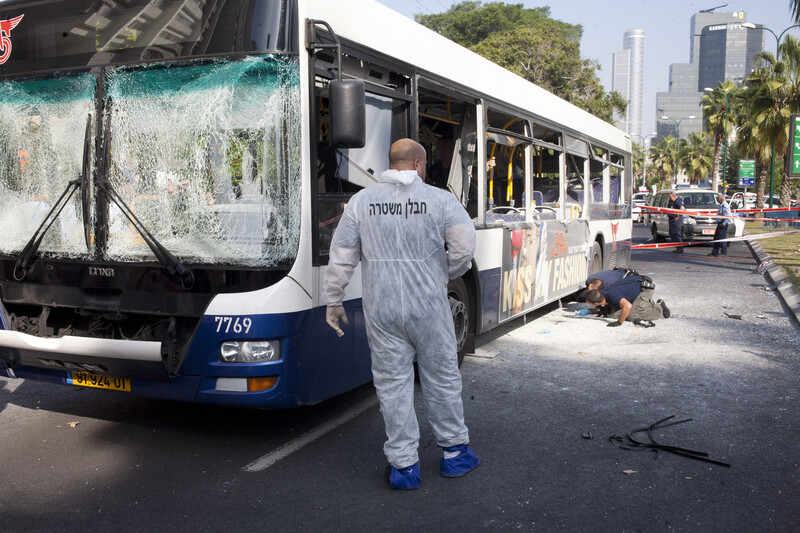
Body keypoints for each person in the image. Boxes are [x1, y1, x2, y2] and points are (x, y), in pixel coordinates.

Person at [324, 138, 480, 490]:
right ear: (419, 164)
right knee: (441, 379)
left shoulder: (361, 203)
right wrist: (446, 271)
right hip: (429, 308)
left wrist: (334, 300)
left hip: (383, 310)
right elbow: (463, 248)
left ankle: (404, 467)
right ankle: (455, 454)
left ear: (391, 164)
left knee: (392, 386)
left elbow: (343, 255)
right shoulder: (441, 201)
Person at [584, 268, 670, 327]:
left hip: (644, 289)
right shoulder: (603, 293)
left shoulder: (613, 296)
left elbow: (627, 306)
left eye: (590, 304)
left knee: (633, 315)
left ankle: (659, 307)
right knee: (616, 315)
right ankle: (642, 304)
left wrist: (619, 322)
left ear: (596, 303)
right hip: (633, 288)